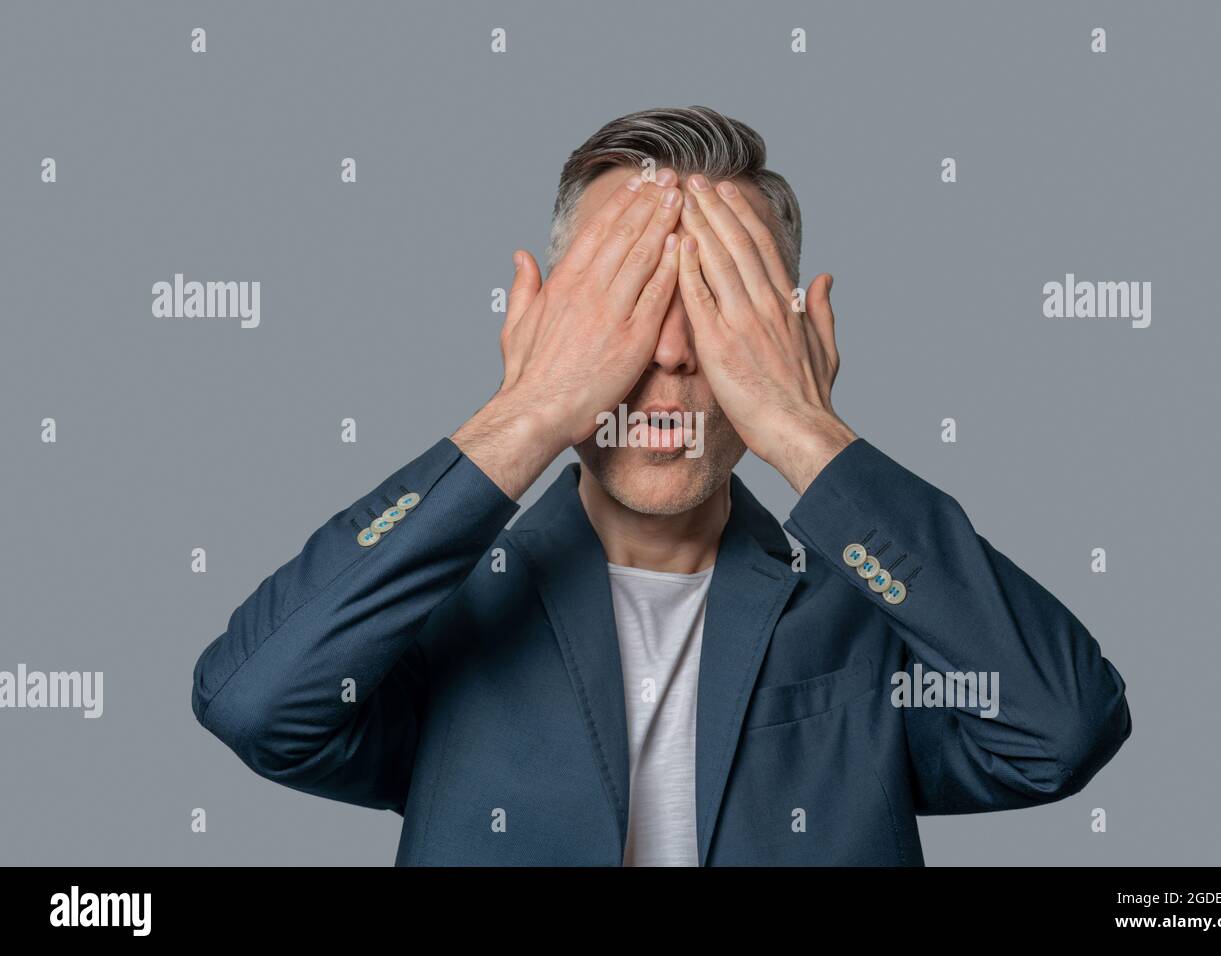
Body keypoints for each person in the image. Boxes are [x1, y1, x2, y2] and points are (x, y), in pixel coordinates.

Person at [191, 106, 1131, 866]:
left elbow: (1064, 729)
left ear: (793, 340)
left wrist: (807, 433)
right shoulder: (436, 609)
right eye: (627, 301)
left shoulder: (875, 611)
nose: (672, 352)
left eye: (718, 307)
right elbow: (254, 702)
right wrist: (527, 412)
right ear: (543, 327)